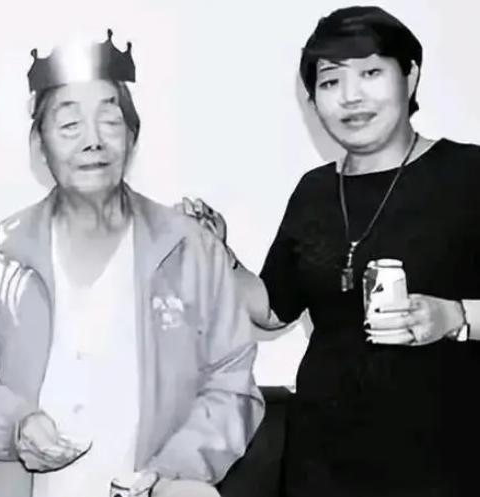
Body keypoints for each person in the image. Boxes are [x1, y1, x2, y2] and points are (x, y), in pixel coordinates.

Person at [0, 30, 264, 497]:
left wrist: (174, 471)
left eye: (109, 120)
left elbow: (233, 385)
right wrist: (16, 426)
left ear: (132, 136)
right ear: (40, 146)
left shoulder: (191, 250)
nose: (93, 141)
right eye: (69, 125)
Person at [184, 6, 480, 496]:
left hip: (446, 461)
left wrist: (457, 316)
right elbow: (272, 310)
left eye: (370, 73)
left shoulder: (468, 174)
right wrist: (218, 253)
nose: (350, 96)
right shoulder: (315, 191)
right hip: (322, 462)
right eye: (330, 81)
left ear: (410, 76)